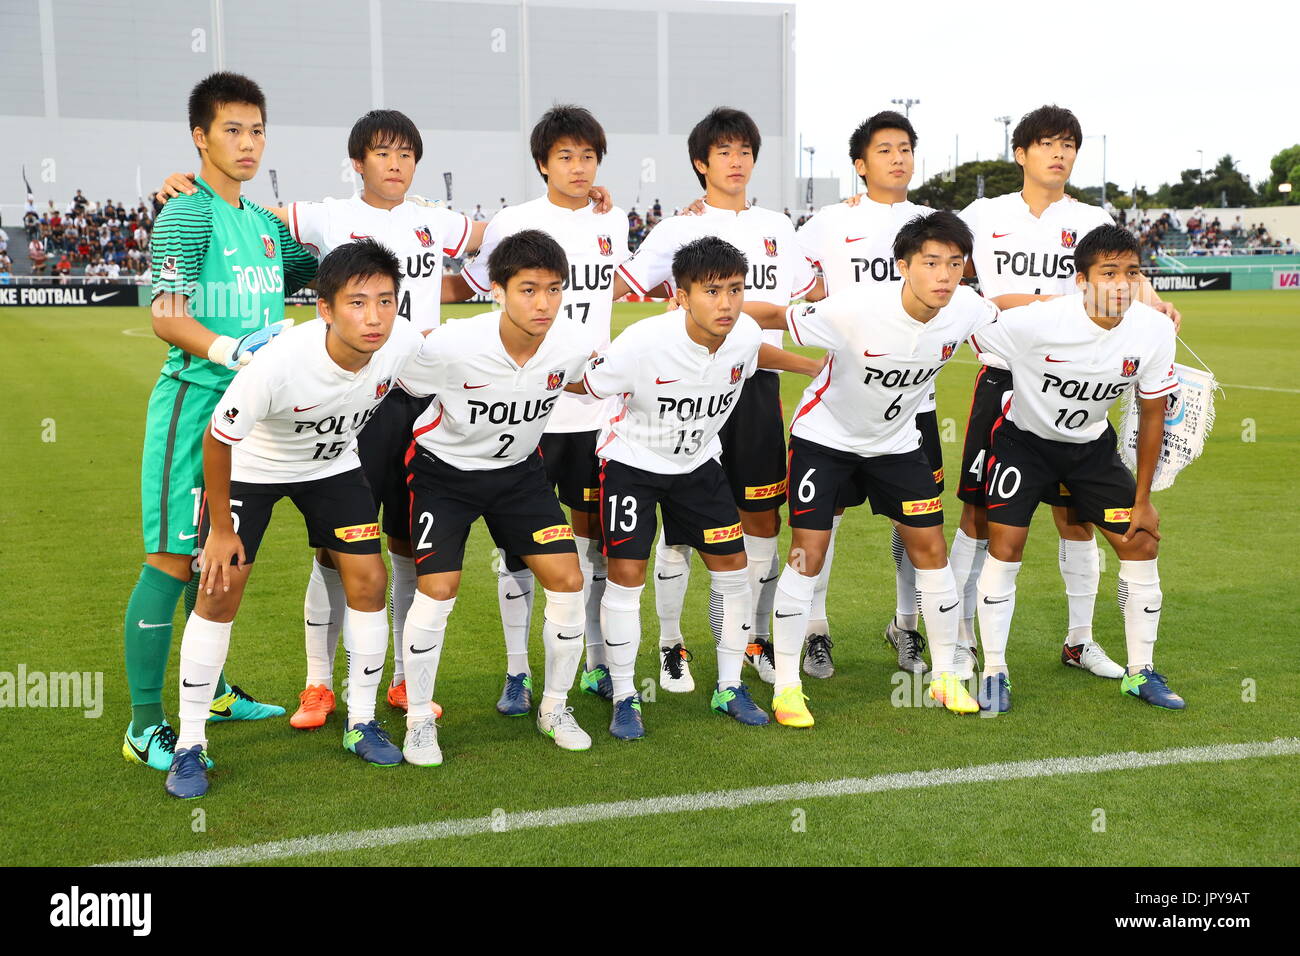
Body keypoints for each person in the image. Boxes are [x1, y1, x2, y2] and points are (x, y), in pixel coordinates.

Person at [165, 240, 425, 798]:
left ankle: (361, 720)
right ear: (325, 309)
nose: (374, 315)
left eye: (386, 299)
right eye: (357, 302)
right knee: (219, 587)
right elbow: (218, 437)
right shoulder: (281, 363)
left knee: (369, 580)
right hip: (252, 468)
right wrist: (221, 531)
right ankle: (190, 744)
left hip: (331, 467)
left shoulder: (402, 342)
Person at [124, 71, 318, 776]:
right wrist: (230, 348)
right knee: (174, 558)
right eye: (231, 130)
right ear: (200, 137)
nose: (247, 143)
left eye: (257, 129)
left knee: (222, 554)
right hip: (196, 402)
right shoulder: (187, 212)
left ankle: (214, 691)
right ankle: (145, 724)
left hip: (254, 416)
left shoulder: (264, 226)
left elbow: (331, 260)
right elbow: (164, 313)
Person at [953, 104, 1178, 685]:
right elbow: (936, 257)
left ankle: (1079, 641)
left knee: (1077, 522)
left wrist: (1153, 305)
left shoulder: (1090, 215)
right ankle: (958, 643)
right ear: (1021, 152)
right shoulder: (983, 214)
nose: (1060, 153)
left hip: (1083, 374)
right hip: (1006, 375)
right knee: (981, 517)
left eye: (1070, 144)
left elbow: (1121, 272)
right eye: (1048, 143)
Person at [573, 236, 821, 737]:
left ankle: (729, 685)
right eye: (711, 291)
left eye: (735, 289)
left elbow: (756, 353)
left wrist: (814, 367)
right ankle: (624, 695)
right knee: (626, 575)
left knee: (733, 571)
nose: (725, 302)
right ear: (681, 296)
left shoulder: (745, 333)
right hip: (633, 465)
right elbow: (587, 384)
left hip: (699, 467)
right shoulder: (642, 343)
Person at [758, 213, 996, 724]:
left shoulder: (967, 310)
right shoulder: (853, 308)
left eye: (955, 264)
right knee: (808, 554)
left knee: (930, 549)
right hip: (825, 440)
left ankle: (945, 677)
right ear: (903, 266)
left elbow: (1017, 312)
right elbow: (776, 315)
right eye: (931, 263)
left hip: (896, 444)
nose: (944, 275)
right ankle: (786, 686)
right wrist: (701, 310)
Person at [611, 107, 816, 693]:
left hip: (753, 384)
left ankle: (752, 637)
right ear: (701, 163)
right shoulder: (676, 228)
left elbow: (800, 297)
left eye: (745, 150)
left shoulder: (777, 225)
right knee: (677, 527)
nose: (736, 161)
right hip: (684, 386)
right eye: (723, 152)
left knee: (760, 516)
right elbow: (628, 288)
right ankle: (672, 645)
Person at [443, 105, 629, 714]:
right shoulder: (514, 222)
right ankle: (518, 672)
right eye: (565, 157)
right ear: (542, 163)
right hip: (530, 412)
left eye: (588, 157)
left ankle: (597, 663)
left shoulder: (614, 219)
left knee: (595, 541)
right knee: (520, 548)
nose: (578, 168)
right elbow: (471, 287)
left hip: (596, 410)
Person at [395, 230, 597, 764]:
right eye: (528, 289)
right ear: (497, 289)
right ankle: (418, 719)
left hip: (519, 476)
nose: (543, 303)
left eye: (554, 289)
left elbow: (588, 380)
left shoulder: (571, 344)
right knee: (437, 589)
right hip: (445, 473)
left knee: (568, 579)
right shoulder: (453, 343)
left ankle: (553, 706)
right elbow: (400, 377)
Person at [968, 224, 1183, 712]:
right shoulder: (1037, 322)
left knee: (1140, 539)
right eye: (1109, 272)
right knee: (1006, 546)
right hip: (1024, 442)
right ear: (1081, 280)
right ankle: (994, 671)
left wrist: (1144, 499)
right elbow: (973, 331)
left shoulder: (1151, 329)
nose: (1122, 283)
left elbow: (1153, 414)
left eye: (1132, 272)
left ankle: (1140, 671)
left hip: (1090, 448)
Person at [796, 109, 946, 680]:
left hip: (913, 405)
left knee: (915, 523)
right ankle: (814, 629)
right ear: (860, 165)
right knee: (821, 523)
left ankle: (906, 627)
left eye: (906, 147)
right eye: (885, 150)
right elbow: (780, 276)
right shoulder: (825, 224)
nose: (899, 157)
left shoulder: (935, 221)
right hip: (838, 406)